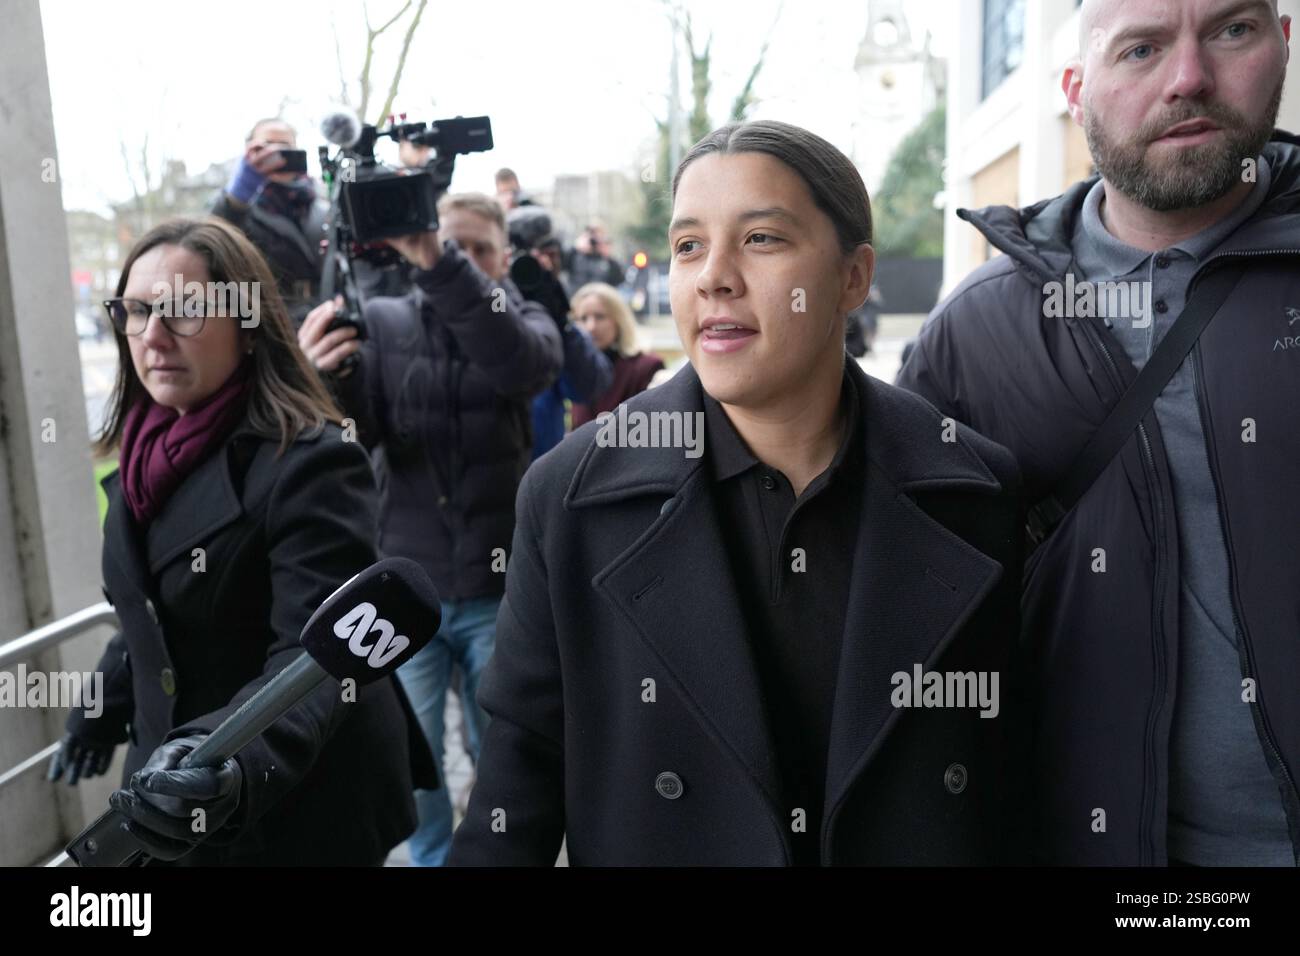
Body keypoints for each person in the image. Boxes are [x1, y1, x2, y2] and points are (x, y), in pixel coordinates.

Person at [449, 120, 1027, 866]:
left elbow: (1010, 784)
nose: (712, 275)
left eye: (760, 239)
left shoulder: (975, 491)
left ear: (853, 277)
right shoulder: (569, 499)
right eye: (688, 245)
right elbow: (511, 800)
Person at [897, 0, 1299, 866]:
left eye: (1231, 30)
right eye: (1142, 48)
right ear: (1077, 90)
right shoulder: (974, 336)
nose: (1189, 77)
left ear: (1284, 43)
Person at [47, 217, 435, 865]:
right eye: (137, 311)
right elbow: (149, 616)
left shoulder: (311, 462)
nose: (154, 335)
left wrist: (228, 763)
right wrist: (97, 711)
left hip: (292, 804)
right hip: (174, 786)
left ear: (248, 324)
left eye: (186, 311)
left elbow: (316, 662)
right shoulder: (141, 461)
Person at [297, 192, 562, 866]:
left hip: (501, 587)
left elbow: (522, 368)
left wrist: (441, 264)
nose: (459, 259)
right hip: (407, 590)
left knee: (501, 747)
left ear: (503, 259)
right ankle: (434, 857)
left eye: (477, 250)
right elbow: (359, 441)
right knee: (417, 760)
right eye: (450, 243)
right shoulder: (383, 321)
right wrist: (328, 383)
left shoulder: (524, 318)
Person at [211, 118, 326, 327]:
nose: (278, 154)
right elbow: (212, 244)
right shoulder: (237, 209)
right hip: (272, 329)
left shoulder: (321, 208)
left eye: (286, 147)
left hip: (327, 322)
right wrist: (237, 197)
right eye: (267, 146)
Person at [568, 282, 665, 427]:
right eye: (583, 319)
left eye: (599, 317)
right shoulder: (577, 371)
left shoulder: (646, 367)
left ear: (618, 320)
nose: (591, 327)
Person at [566, 224, 626, 290]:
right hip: (576, 296)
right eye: (592, 235)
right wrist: (576, 248)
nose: (594, 241)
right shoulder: (575, 255)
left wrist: (607, 255)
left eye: (598, 237)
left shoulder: (607, 261)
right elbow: (562, 266)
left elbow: (618, 280)